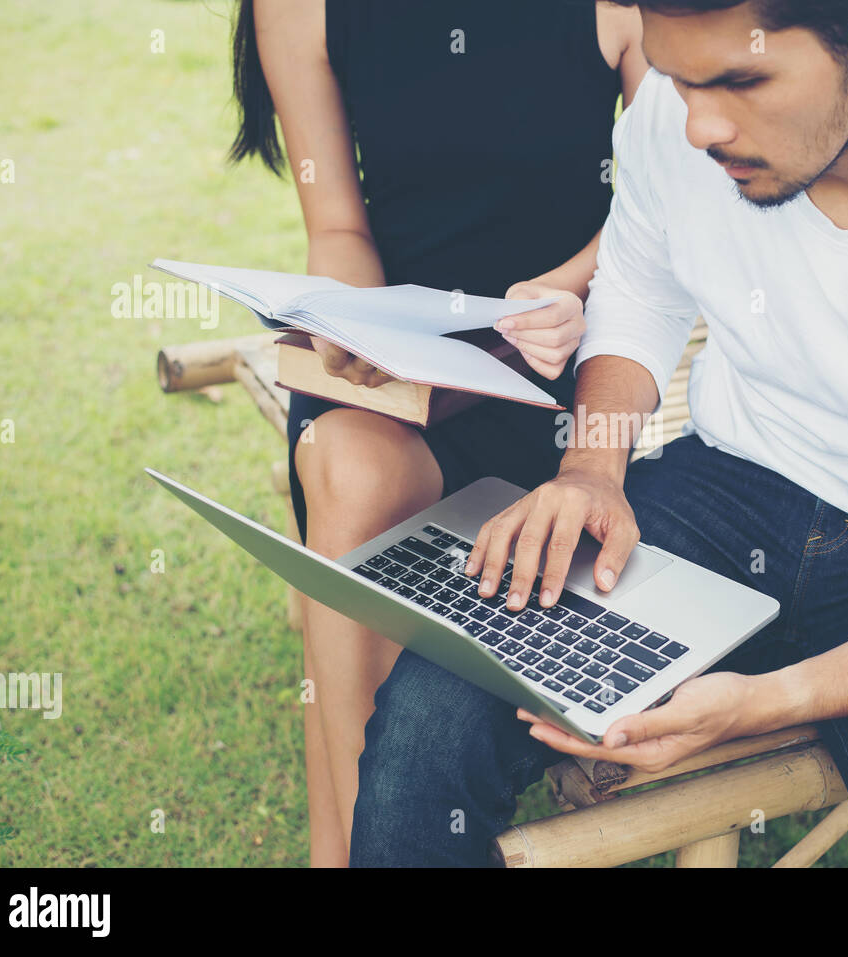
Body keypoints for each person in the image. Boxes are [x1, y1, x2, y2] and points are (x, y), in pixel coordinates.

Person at [349, 0, 848, 866]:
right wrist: (593, 468)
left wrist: (768, 699)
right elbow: (642, 287)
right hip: (726, 492)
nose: (699, 124)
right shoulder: (680, 121)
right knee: (428, 722)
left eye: (743, 80)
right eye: (675, 76)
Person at [229, 0, 645, 866]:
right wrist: (353, 326)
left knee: (353, 487)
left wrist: (552, 294)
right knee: (350, 466)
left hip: (552, 351)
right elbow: (339, 228)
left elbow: (666, 212)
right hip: (392, 366)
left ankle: (348, 850)